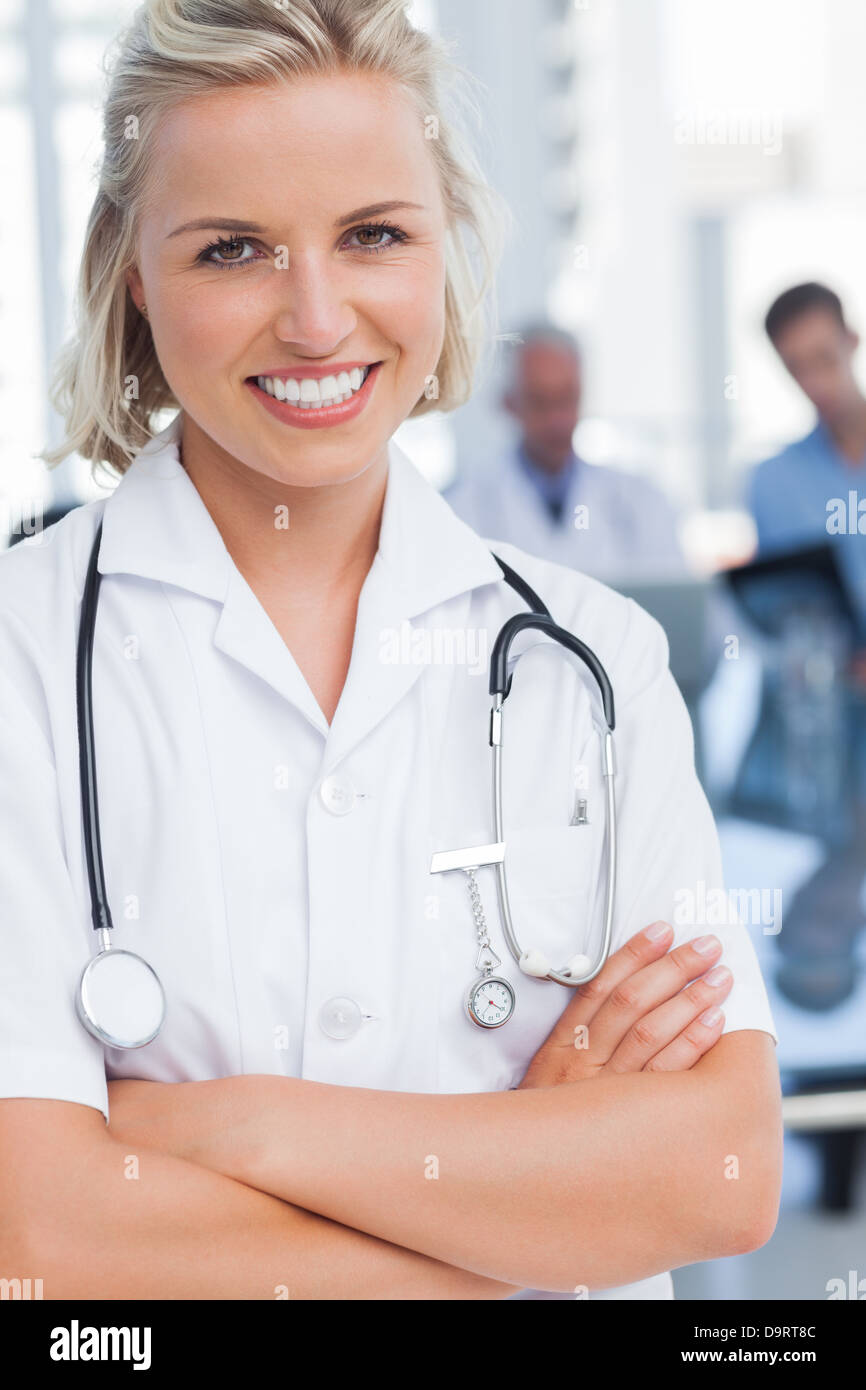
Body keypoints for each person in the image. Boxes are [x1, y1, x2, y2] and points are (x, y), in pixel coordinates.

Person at [0, 0, 780, 1302]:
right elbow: (35, 1224)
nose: (316, 320)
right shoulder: (23, 655)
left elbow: (717, 1176)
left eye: (372, 235)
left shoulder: (592, 665)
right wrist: (521, 1209)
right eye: (233, 248)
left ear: (444, 250)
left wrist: (223, 1127)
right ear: (132, 272)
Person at [444, 324, 689, 583]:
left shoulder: (640, 501)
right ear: (509, 403)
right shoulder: (465, 504)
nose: (556, 420)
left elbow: (679, 608)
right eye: (540, 402)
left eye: (567, 398)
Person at [748, 282, 866, 633]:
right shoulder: (772, 482)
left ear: (852, 341)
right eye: (797, 368)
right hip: (823, 677)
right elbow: (774, 613)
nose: (815, 383)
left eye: (824, 358)